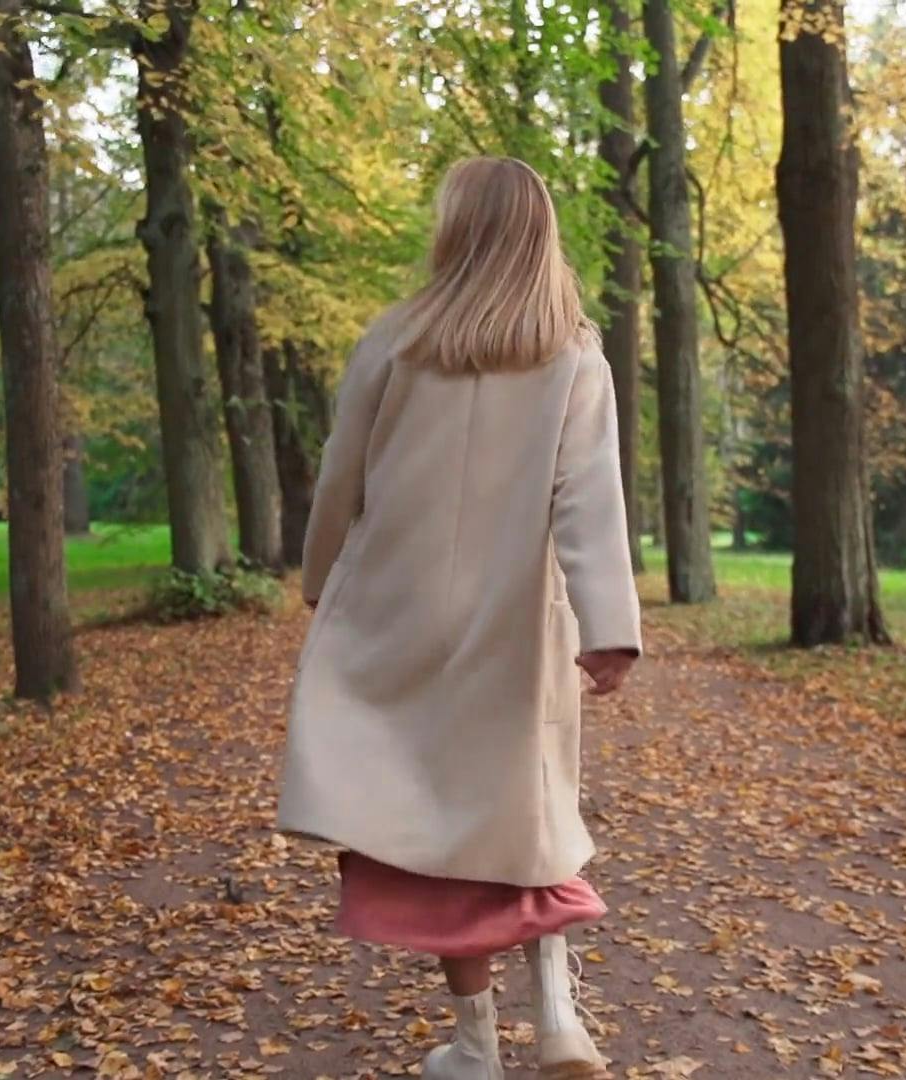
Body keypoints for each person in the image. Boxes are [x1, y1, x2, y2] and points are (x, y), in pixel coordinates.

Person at [277, 156, 642, 1080]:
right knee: (525, 818)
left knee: (434, 839)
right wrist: (607, 625)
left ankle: (476, 1046)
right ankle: (557, 1017)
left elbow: (340, 473)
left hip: (393, 618)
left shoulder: (396, 339)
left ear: (456, 231)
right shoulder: (573, 354)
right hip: (513, 625)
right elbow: (587, 496)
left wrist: (321, 576)